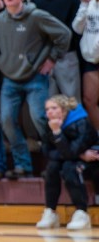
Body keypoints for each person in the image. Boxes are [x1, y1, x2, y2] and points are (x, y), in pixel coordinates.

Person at [0, 0, 71, 179]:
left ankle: (53, 162)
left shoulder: (36, 16)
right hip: (10, 78)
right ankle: (22, 164)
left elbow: (64, 34)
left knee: (40, 118)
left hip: (35, 76)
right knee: (7, 121)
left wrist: (52, 58)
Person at [36, 94, 99, 232]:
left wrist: (58, 134)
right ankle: (50, 212)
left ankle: (82, 213)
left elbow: (71, 152)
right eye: (47, 109)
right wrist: (80, 155)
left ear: (64, 110)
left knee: (70, 168)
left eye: (54, 108)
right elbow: (47, 152)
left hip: (94, 161)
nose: (49, 112)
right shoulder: (50, 125)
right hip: (76, 157)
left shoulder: (81, 123)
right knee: (51, 168)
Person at [74, 0, 99, 130]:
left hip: (95, 54)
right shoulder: (88, 3)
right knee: (89, 100)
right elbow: (77, 28)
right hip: (91, 58)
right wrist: (83, 5)